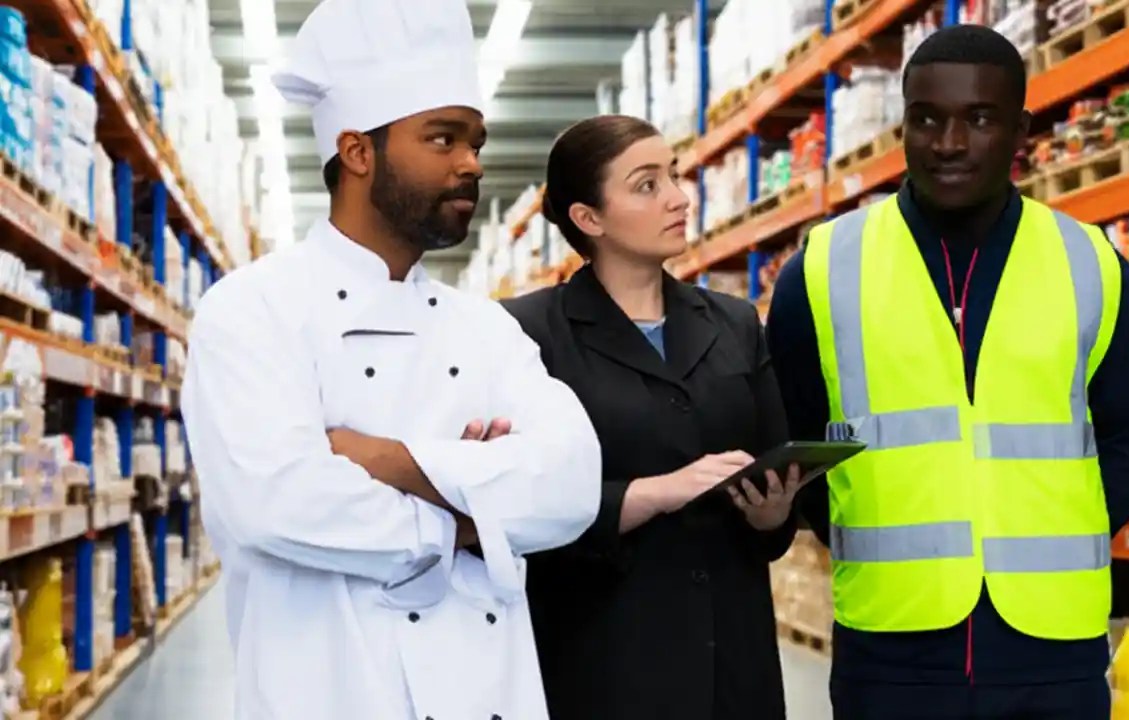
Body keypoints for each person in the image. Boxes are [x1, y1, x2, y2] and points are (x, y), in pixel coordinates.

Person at [179, 1, 602, 718]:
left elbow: (572, 484)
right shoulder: (252, 311)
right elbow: (275, 503)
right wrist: (470, 521)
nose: (472, 163)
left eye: (476, 141)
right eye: (442, 138)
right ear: (356, 152)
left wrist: (384, 460)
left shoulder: (486, 330)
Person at [765, 25, 1129, 719]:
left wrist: (1054, 526)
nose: (948, 144)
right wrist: (867, 527)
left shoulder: (1089, 263)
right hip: (892, 648)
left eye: (979, 120)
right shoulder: (826, 267)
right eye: (926, 120)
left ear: (1021, 129)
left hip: (1052, 649)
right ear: (903, 125)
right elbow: (793, 431)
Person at [502, 115, 799, 720]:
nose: (678, 198)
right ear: (589, 218)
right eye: (647, 185)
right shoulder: (528, 333)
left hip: (732, 664)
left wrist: (773, 515)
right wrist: (649, 495)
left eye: (674, 176)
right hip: (605, 661)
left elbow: (773, 460)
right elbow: (515, 507)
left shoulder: (734, 323)